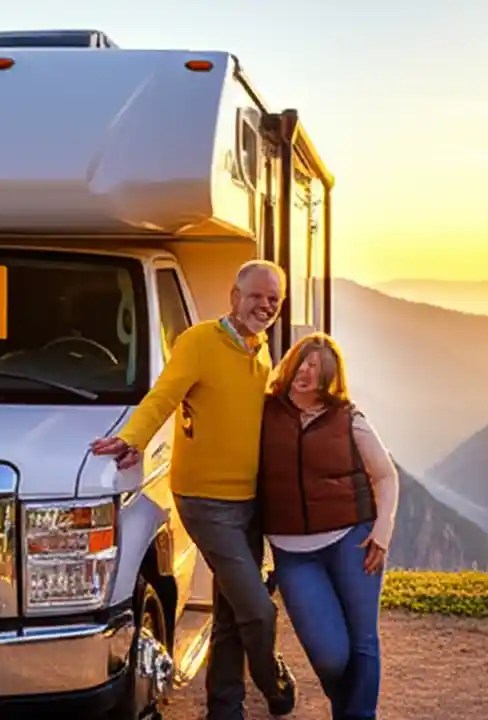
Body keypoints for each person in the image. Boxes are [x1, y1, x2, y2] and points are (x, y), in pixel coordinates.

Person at [90, 259, 297, 719]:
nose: (265, 306)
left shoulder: (261, 352)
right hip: (206, 501)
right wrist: (132, 438)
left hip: (249, 503)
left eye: (274, 300)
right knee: (258, 610)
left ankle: (225, 707)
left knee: (231, 612)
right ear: (234, 297)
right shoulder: (200, 341)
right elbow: (163, 395)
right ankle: (274, 681)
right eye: (256, 296)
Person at [256, 332, 400, 720]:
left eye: (318, 368)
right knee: (330, 655)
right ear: (290, 364)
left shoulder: (348, 417)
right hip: (293, 553)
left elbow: (385, 476)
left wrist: (382, 531)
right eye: (303, 362)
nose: (307, 371)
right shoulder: (265, 413)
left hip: (353, 540)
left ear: (330, 378)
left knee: (363, 640)